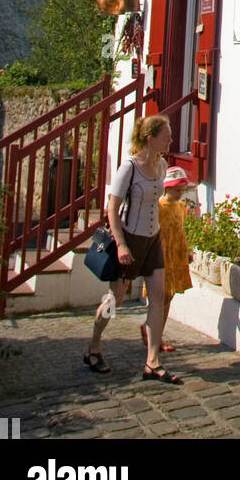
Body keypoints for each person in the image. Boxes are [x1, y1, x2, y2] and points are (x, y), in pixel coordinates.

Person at [84, 114, 183, 384]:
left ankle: (152, 361)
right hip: (130, 238)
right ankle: (93, 347)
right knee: (114, 300)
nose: (171, 140)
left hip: (153, 239)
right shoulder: (129, 167)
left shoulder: (162, 165)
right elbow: (112, 209)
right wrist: (122, 245)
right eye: (167, 135)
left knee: (159, 297)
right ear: (150, 138)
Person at [140, 165, 194, 354]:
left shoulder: (180, 207)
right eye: (177, 189)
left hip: (175, 256)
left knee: (169, 296)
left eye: (181, 190)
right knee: (159, 297)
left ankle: (155, 332)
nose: (180, 193)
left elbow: (180, 231)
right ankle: (154, 335)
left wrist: (186, 251)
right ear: (168, 188)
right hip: (161, 255)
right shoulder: (159, 207)